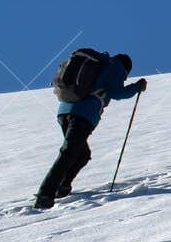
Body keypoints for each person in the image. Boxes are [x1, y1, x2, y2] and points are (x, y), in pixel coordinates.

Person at [34, 49, 146, 209]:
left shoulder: (99, 63)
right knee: (68, 153)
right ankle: (45, 195)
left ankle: (62, 187)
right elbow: (117, 92)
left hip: (64, 111)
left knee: (82, 154)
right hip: (83, 114)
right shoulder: (115, 67)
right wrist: (137, 87)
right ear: (126, 68)